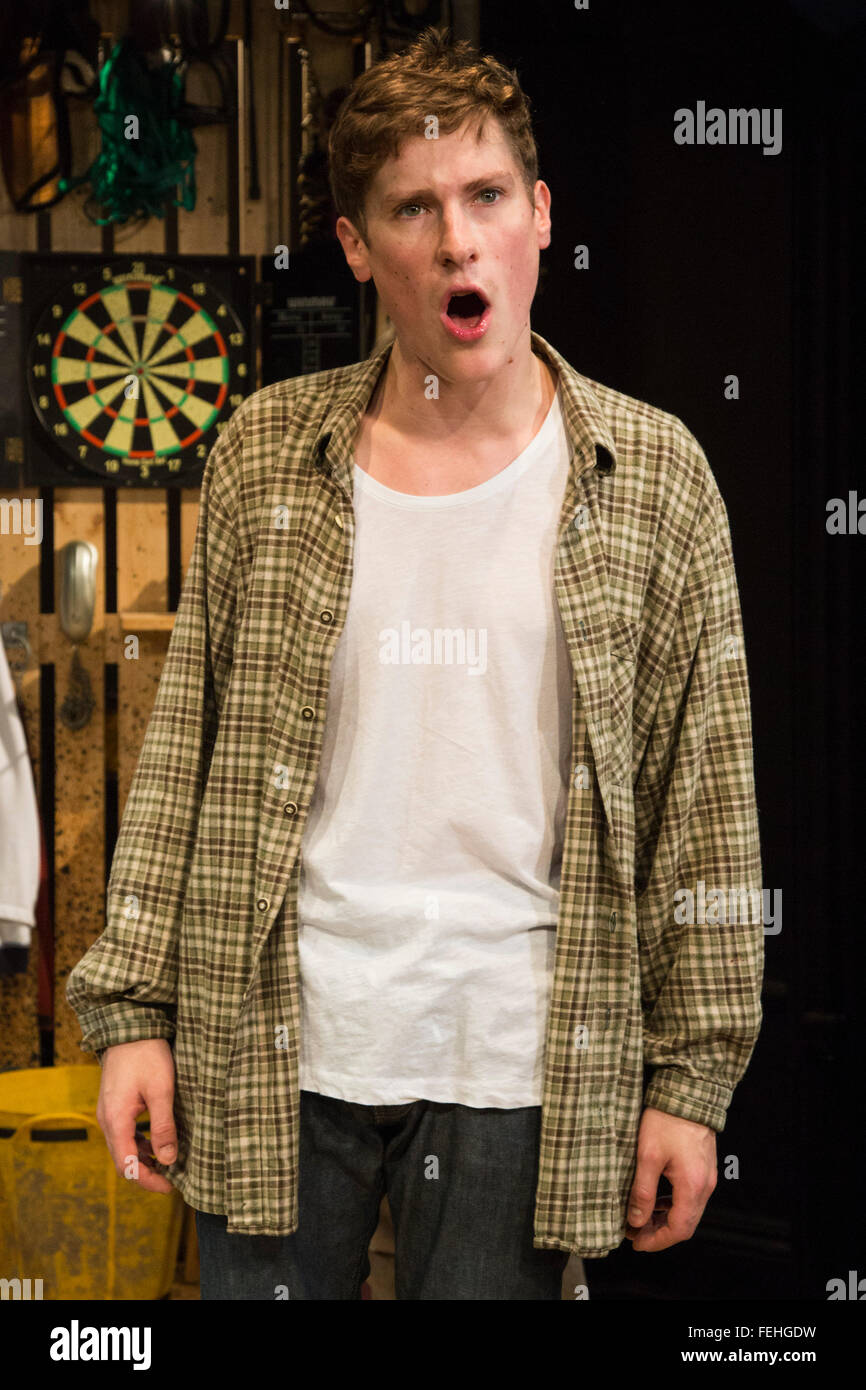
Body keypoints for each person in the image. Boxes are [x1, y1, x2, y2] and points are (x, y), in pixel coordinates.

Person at [67, 26, 764, 1301]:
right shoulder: (266, 453)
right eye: (411, 208)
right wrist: (133, 1015)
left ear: (539, 215)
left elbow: (705, 803)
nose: (456, 241)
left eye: (485, 196)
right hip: (275, 1037)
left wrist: (690, 1082)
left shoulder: (652, 475)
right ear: (354, 245)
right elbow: (183, 761)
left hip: (518, 1054)